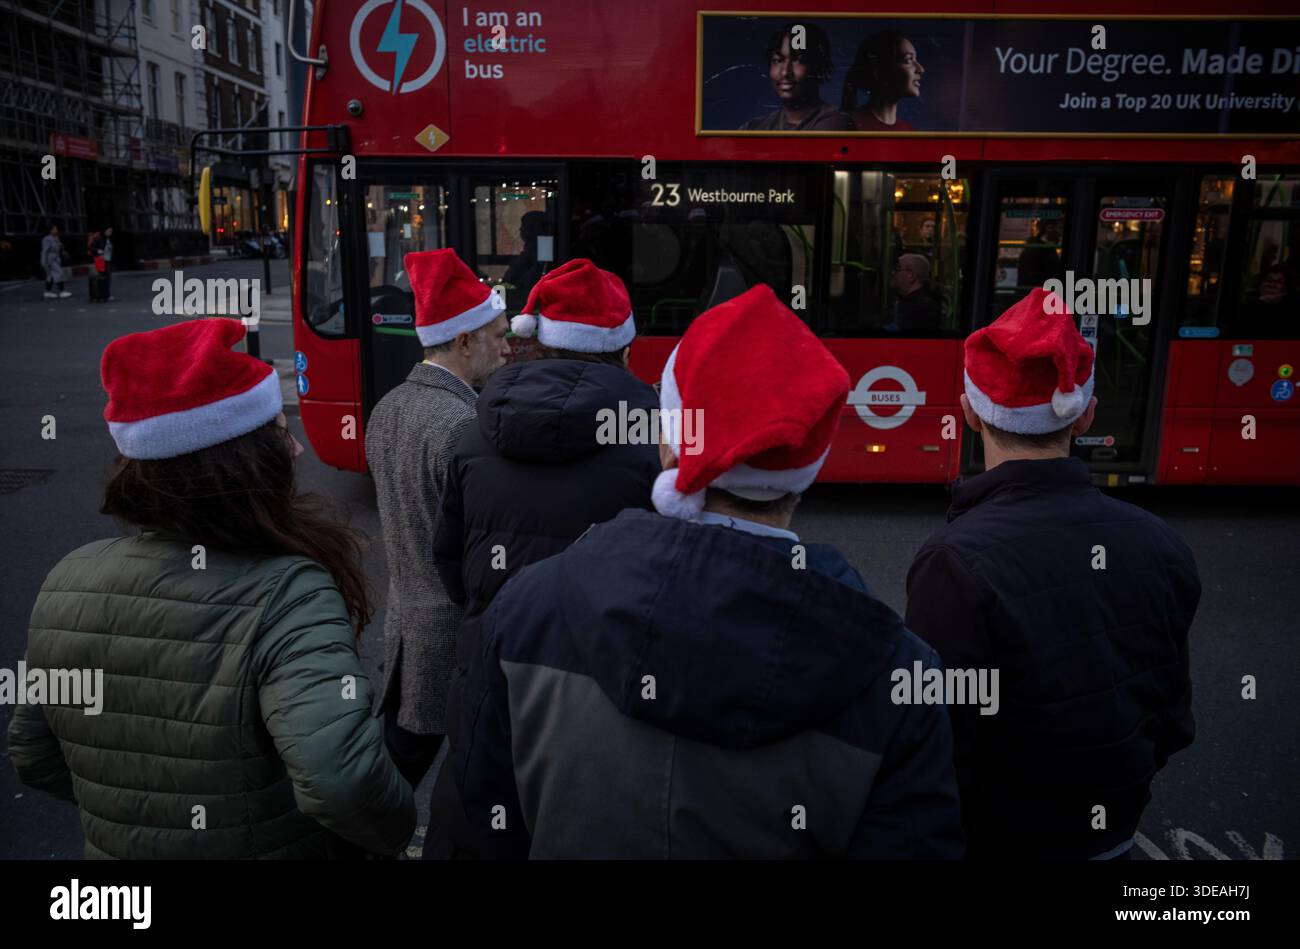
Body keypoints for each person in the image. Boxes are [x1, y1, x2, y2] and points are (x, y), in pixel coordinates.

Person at [446, 284, 964, 859]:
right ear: (810, 465)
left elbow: (484, 821)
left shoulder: (525, 606)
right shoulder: (899, 675)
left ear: (670, 447)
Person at [7, 318, 415, 858]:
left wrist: (133, 818)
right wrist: (396, 835)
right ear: (241, 461)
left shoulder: (65, 581)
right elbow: (343, 782)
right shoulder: (289, 594)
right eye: (278, 432)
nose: (295, 450)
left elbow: (33, 753)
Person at [904, 288, 1200, 860]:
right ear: (1086, 415)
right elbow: (1170, 713)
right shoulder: (1162, 543)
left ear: (967, 412)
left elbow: (940, 744)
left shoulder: (953, 562)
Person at [365, 249, 511, 792]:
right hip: (448, 630)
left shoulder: (388, 407)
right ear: (464, 340)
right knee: (409, 770)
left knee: (396, 757)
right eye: (496, 336)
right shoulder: (462, 423)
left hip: (404, 619)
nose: (506, 347)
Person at [741, 23, 853, 132]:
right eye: (778, 60)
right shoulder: (754, 127)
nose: (785, 72)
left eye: (798, 60)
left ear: (817, 66)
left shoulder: (834, 123)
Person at [843, 30, 924, 131]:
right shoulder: (846, 124)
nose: (920, 69)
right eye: (908, 60)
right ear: (880, 71)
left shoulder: (910, 132)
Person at [889, 252, 942, 332]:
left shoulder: (924, 307)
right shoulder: (903, 301)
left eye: (898, 269)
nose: (893, 272)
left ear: (911, 276)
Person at [1016, 217, 1063, 290]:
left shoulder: (1036, 246)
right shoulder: (1041, 249)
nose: (1060, 232)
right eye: (1059, 227)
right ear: (1049, 228)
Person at [40, 225, 70, 298]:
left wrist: (62, 250)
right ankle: (62, 291)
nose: (56, 230)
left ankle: (48, 291)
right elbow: (45, 251)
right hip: (50, 259)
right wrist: (43, 262)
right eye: (54, 229)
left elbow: (59, 247)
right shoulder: (47, 239)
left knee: (50, 276)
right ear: (50, 231)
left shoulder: (56, 238)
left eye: (56, 229)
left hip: (56, 258)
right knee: (59, 272)